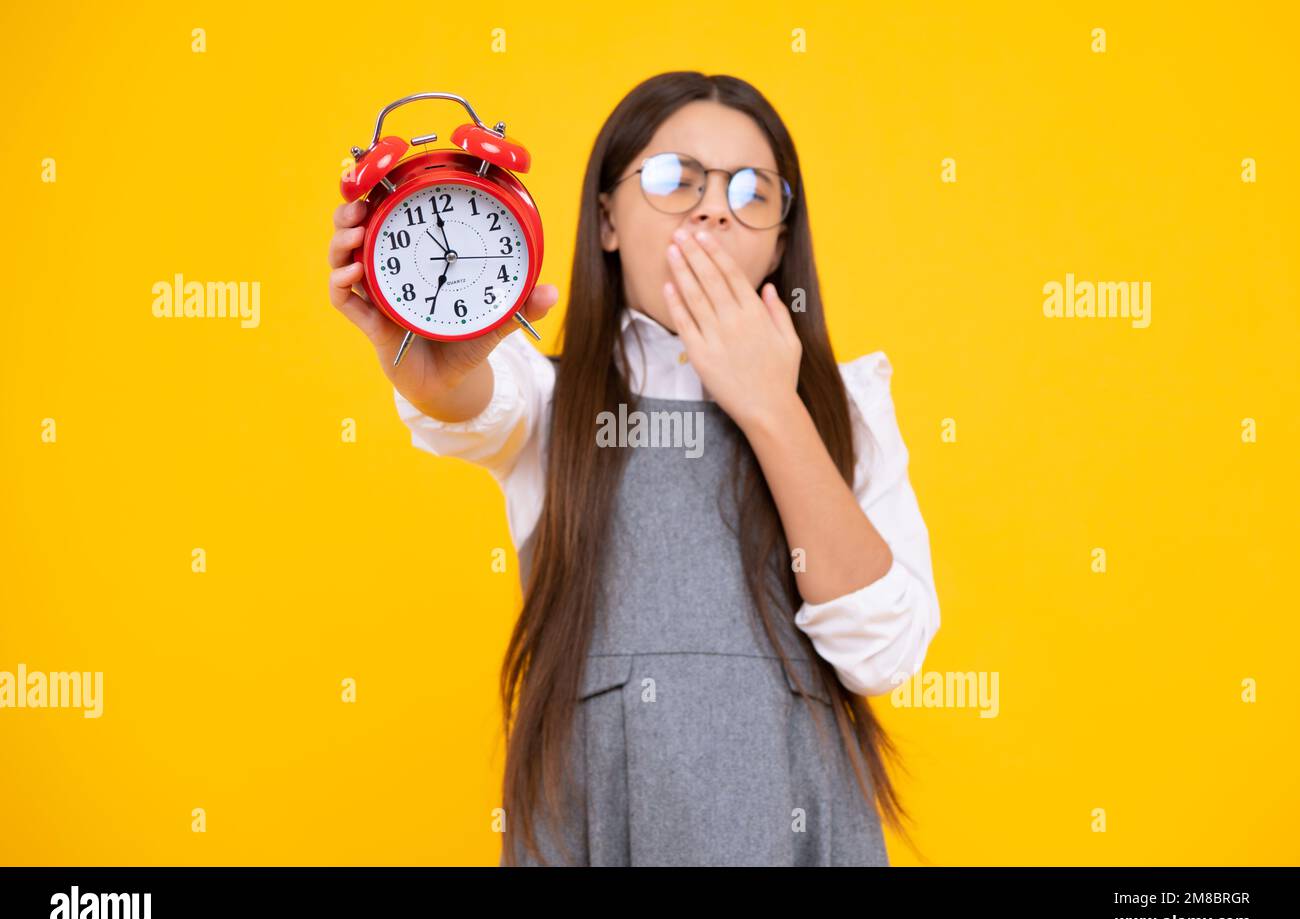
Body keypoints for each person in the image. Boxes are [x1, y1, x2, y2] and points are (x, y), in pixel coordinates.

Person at [327, 71, 941, 866]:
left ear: (781, 239)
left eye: (754, 191)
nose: (716, 207)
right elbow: (467, 402)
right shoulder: (547, 400)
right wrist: (429, 364)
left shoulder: (846, 403)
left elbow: (882, 653)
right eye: (674, 180)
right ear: (608, 218)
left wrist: (771, 406)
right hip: (595, 823)